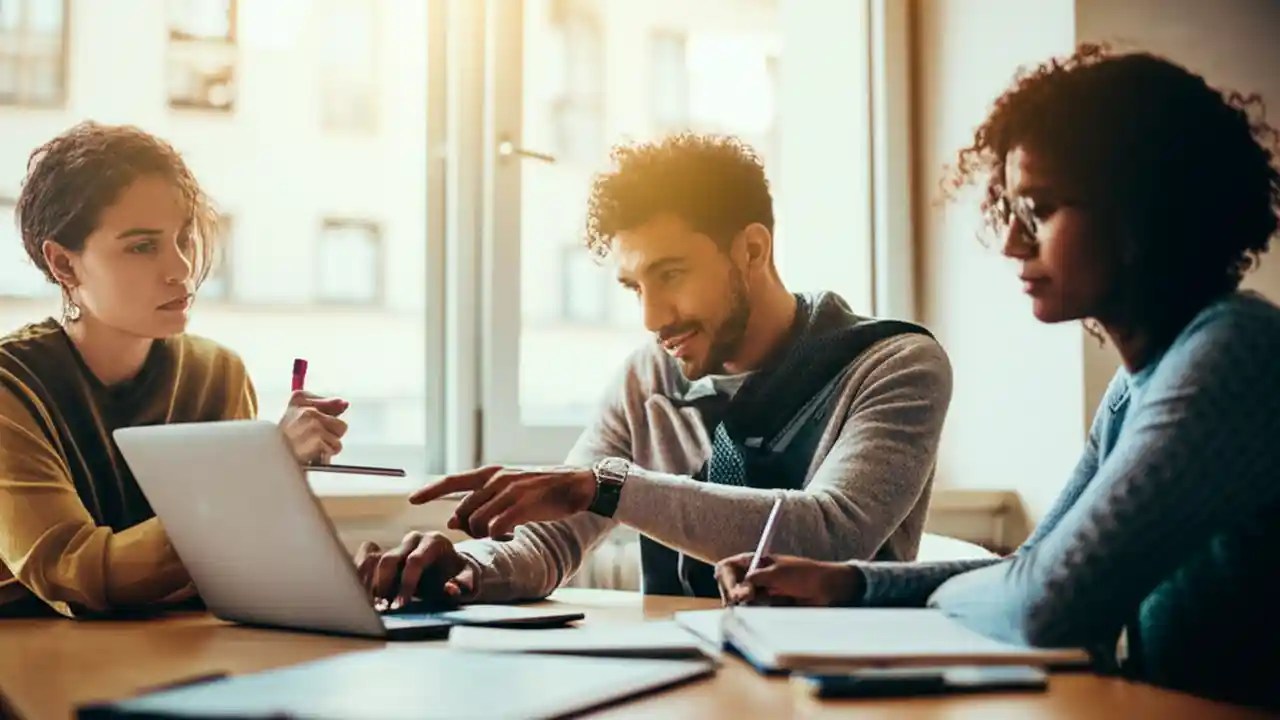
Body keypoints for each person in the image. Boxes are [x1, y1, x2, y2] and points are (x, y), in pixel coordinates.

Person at [715, 46, 1280, 709]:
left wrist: (953, 592)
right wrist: (848, 585)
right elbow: (1028, 574)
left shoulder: (1233, 352)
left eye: (1038, 209)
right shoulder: (1135, 387)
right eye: (1009, 209)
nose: (1012, 241)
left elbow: (1044, 605)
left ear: (1144, 205)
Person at [355, 133, 953, 608]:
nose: (650, 317)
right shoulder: (647, 379)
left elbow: (830, 534)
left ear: (752, 249)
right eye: (634, 285)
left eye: (670, 275)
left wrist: (605, 487)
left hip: (834, 688)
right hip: (679, 687)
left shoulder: (893, 365)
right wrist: (467, 569)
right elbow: (554, 538)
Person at [0, 122, 349, 618]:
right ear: (63, 264)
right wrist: (262, 467)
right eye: (143, 246)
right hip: (32, 661)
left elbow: (235, 562)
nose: (182, 268)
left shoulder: (218, 373)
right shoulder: (11, 388)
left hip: (181, 648)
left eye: (184, 238)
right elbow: (77, 575)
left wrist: (285, 489)